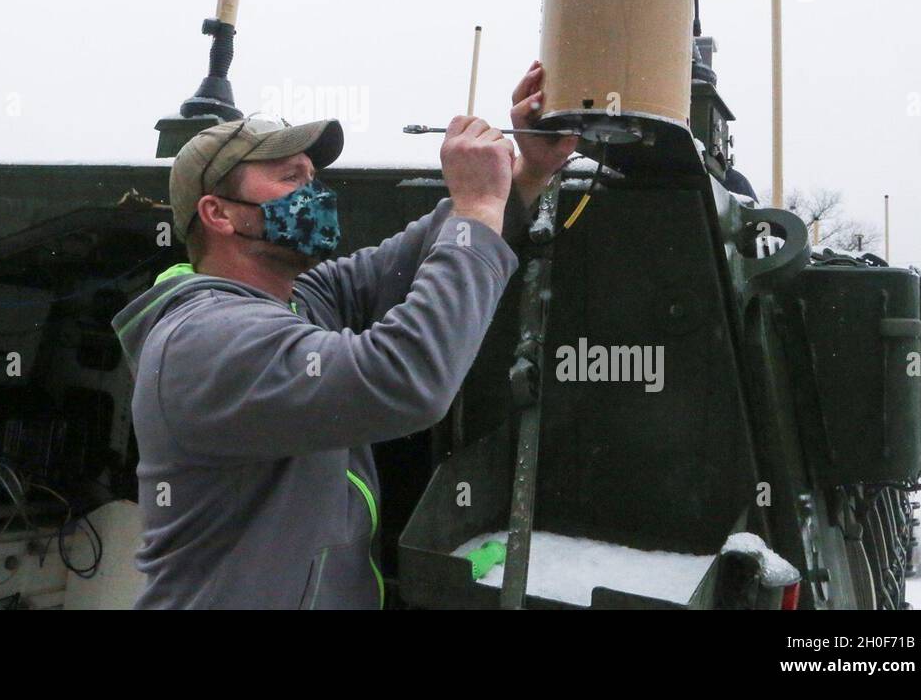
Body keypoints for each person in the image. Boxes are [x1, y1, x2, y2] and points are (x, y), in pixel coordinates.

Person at [113, 61, 577, 608]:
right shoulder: (205, 340)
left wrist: (525, 174)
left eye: (314, 178)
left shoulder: (300, 300)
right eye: (290, 178)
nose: (313, 193)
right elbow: (405, 377)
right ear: (218, 214)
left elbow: (408, 261)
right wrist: (476, 207)